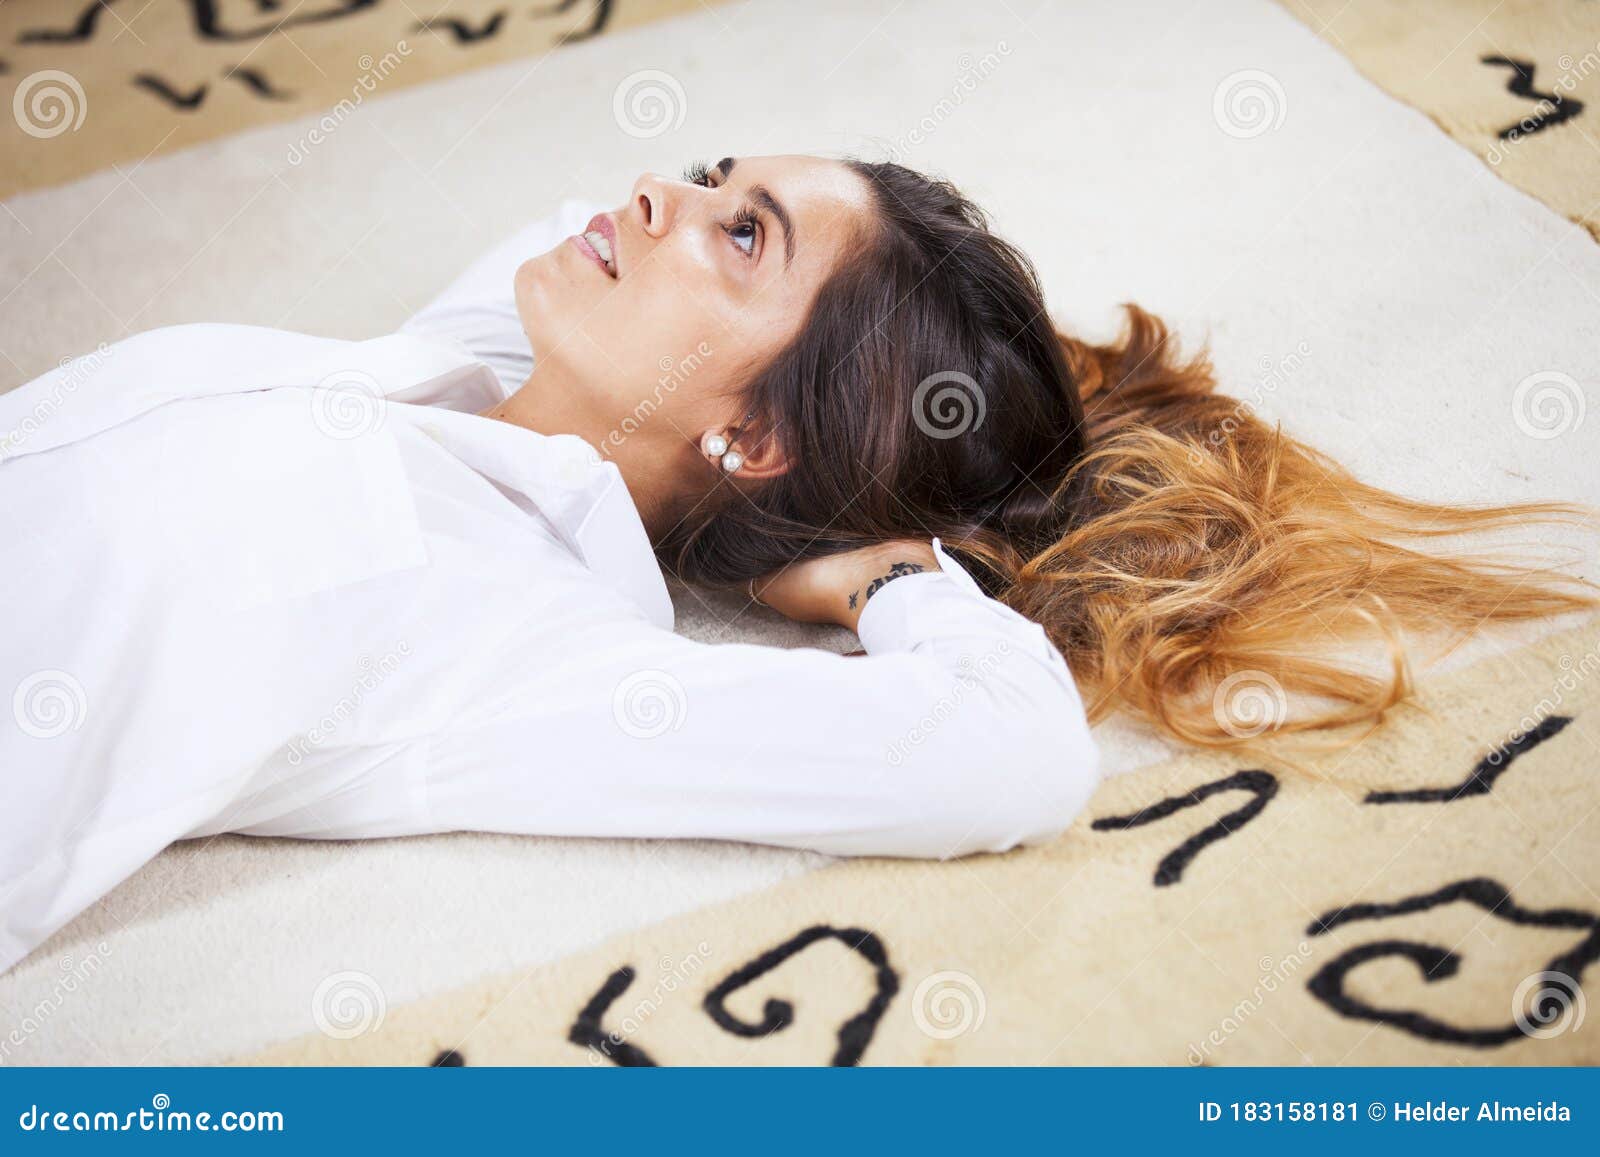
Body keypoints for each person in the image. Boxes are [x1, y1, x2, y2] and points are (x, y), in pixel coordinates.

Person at [0, 156, 1586, 974]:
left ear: (754, 441)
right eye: (713, 178)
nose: (649, 198)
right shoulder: (468, 354)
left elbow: (1005, 758)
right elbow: (558, 241)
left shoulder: (516, 643)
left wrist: (887, 577)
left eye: (739, 233)